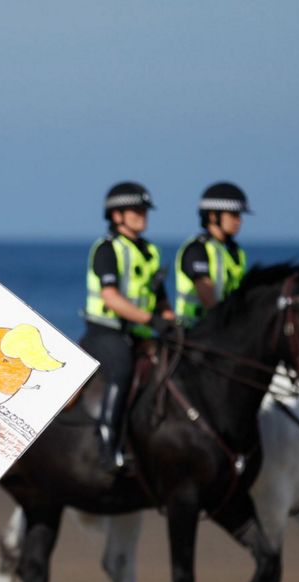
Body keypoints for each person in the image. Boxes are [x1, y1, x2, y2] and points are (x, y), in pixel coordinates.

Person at [82, 181, 174, 470]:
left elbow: (160, 299)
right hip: (106, 332)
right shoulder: (107, 249)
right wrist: (151, 320)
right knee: (121, 369)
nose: (142, 215)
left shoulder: (151, 252)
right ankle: (107, 443)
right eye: (135, 210)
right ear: (117, 215)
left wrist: (174, 325)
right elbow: (111, 298)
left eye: (144, 209)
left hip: (140, 332)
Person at [174, 181, 252, 327]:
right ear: (212, 216)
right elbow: (208, 298)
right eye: (233, 215)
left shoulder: (235, 252)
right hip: (194, 330)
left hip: (221, 328)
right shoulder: (197, 249)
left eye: (239, 216)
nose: (239, 221)